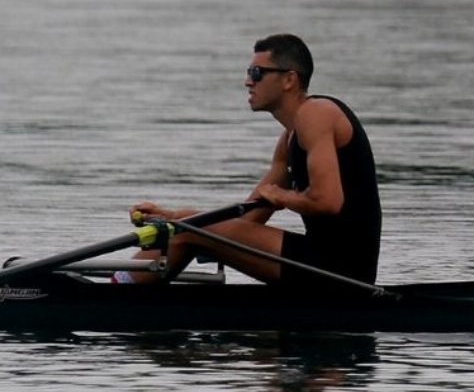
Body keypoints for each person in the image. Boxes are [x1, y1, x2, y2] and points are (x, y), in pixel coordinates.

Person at [123, 33, 381, 287]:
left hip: (342, 270)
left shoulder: (317, 113)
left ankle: (111, 296)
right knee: (187, 228)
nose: (248, 81)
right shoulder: (288, 140)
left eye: (257, 73)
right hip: (318, 259)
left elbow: (327, 201)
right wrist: (172, 215)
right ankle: (119, 288)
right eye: (248, 72)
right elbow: (246, 220)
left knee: (188, 228)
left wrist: (282, 197)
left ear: (289, 79)